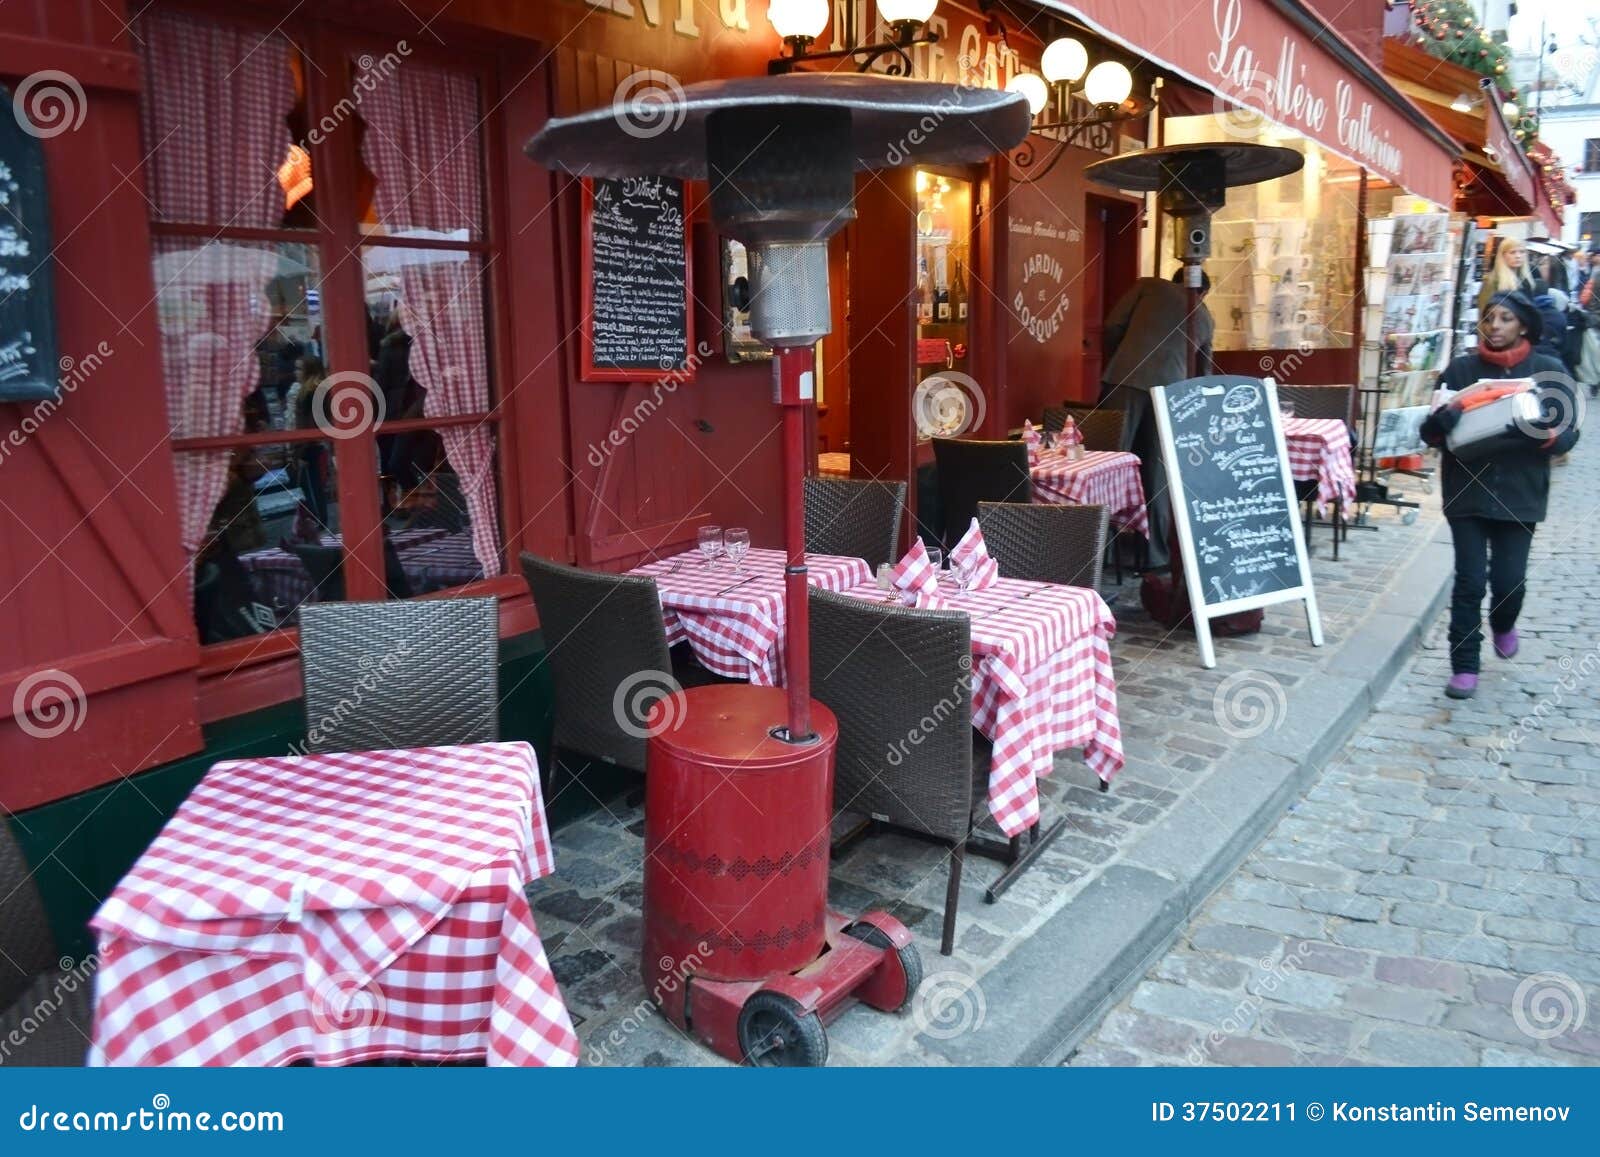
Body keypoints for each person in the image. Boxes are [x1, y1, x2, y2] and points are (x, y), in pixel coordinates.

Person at [1418, 291, 1580, 700]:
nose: (1495, 326)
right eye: (1489, 317)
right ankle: (1464, 666)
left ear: (1523, 325)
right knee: (1469, 581)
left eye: (1505, 318)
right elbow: (1430, 434)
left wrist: (1544, 431)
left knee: (1509, 582)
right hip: (1466, 489)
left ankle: (1504, 623)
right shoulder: (1460, 369)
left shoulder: (1548, 370)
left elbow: (1568, 436)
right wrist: (1444, 419)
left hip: (1520, 492)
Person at [1101, 267, 1214, 571]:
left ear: (1174, 278)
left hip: (1124, 379)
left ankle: (1097, 550)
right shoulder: (1205, 316)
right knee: (1157, 473)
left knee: (1108, 465)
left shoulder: (1149, 286)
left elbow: (1112, 325)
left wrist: (1121, 357)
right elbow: (1203, 375)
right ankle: (1156, 555)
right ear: (1203, 292)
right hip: (1171, 394)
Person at [1478, 237, 1542, 314]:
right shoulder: (1492, 280)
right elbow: (1484, 311)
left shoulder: (1526, 280)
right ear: (1503, 255)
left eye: (1522, 252)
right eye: (1512, 252)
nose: (1518, 256)